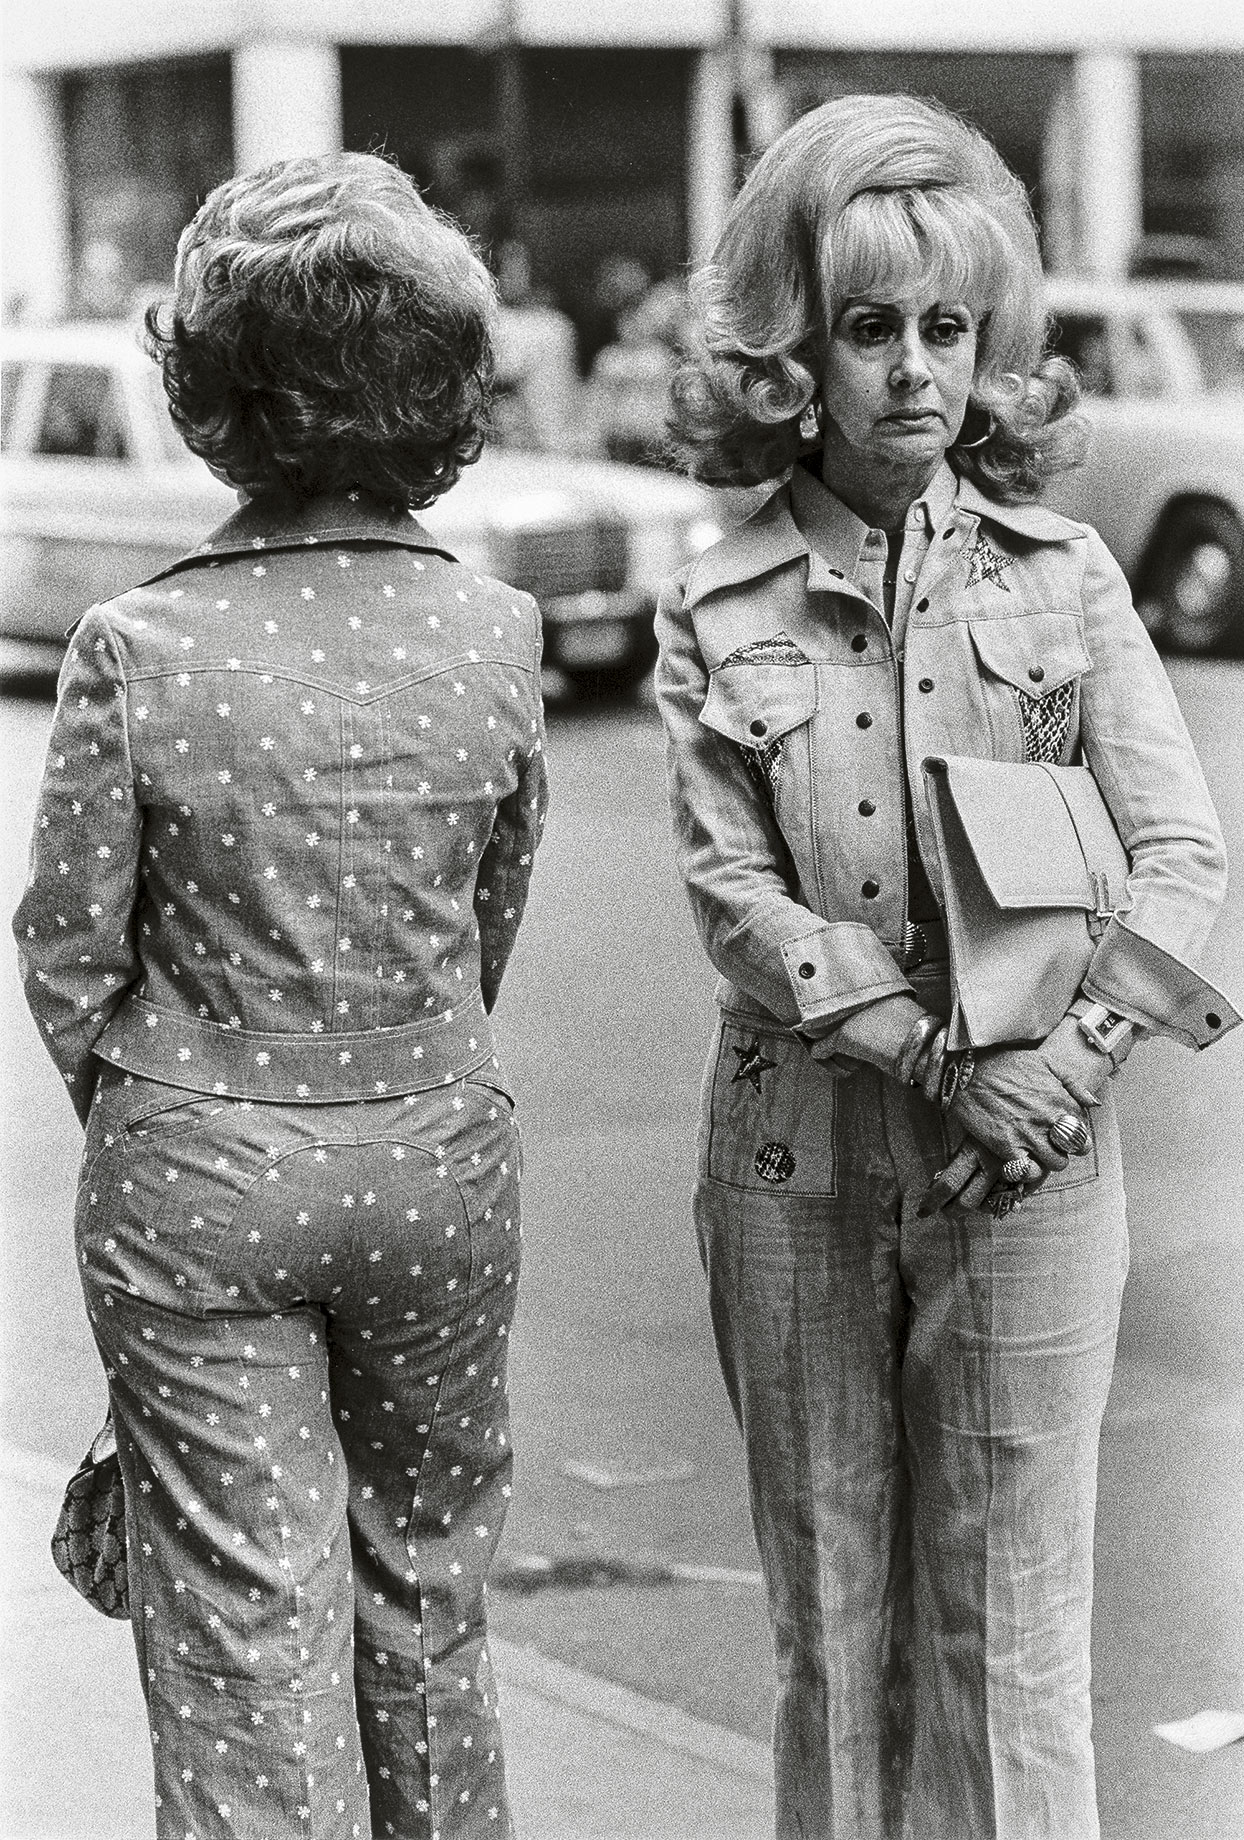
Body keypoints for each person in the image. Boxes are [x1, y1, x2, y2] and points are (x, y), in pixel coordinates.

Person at [656, 94, 1232, 1840]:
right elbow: (734, 899)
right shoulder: (718, 607)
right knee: (832, 1636)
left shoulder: (1067, 580)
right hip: (796, 1161)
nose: (912, 370)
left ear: (987, 348)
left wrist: (1057, 1074)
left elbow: (1180, 851)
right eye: (865, 327)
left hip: (1029, 1169)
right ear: (789, 354)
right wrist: (933, 1060)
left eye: (944, 328)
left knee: (1015, 1641)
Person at [14, 152, 547, 1840]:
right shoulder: (499, 635)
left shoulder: (139, 645)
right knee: (426, 1594)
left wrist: (165, 1100)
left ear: (213, 395)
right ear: (438, 397)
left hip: (200, 1167)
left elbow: (67, 947)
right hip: (438, 1154)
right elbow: (488, 915)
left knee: (245, 1626)